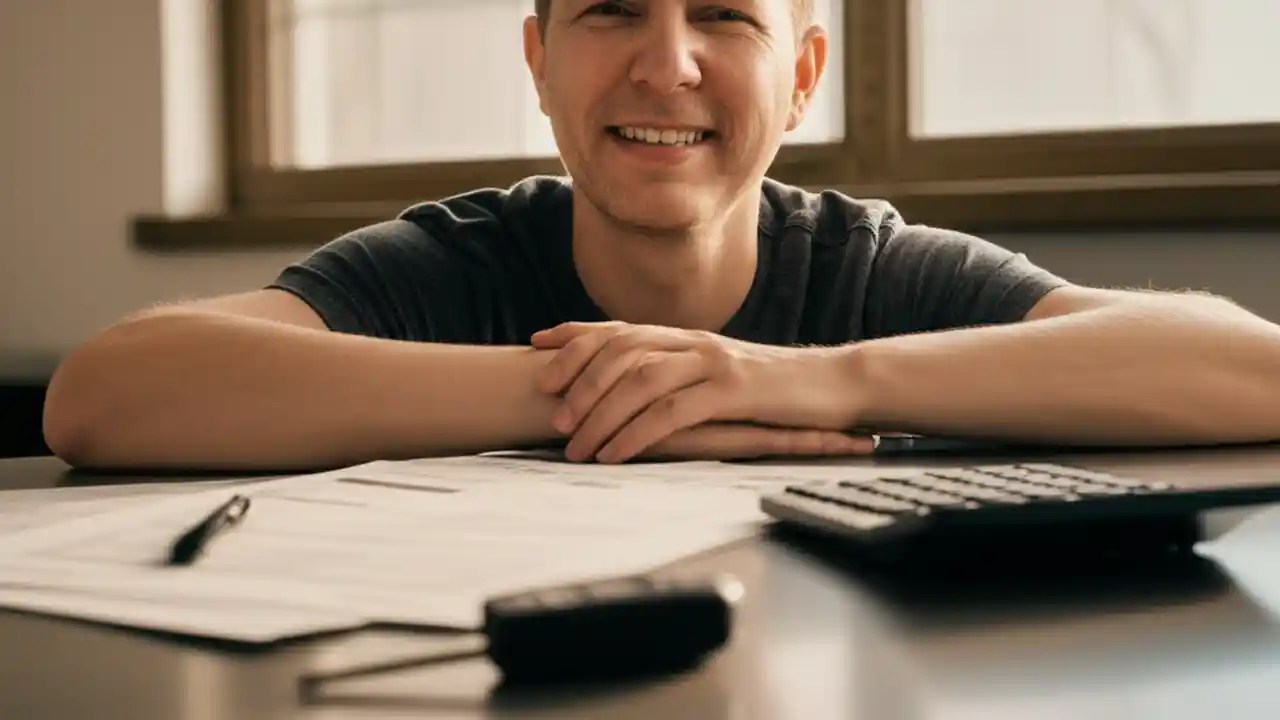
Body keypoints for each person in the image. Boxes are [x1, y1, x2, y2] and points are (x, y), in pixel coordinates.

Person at [43, 0, 1280, 470]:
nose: (666, 63)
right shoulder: (453, 262)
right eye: (612, 9)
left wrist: (798, 380)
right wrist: (600, 391)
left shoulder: (867, 270)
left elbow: (1251, 368)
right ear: (538, 61)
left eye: (724, 16)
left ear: (801, 78)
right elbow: (104, 395)